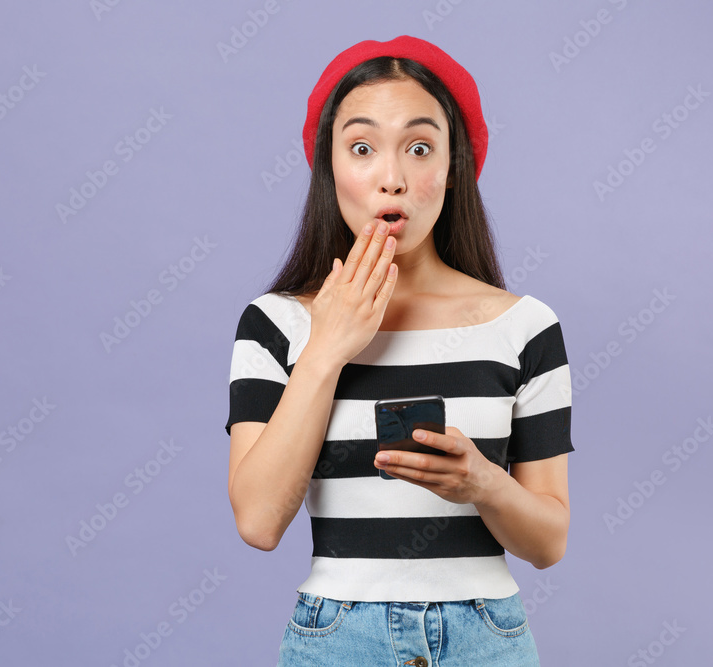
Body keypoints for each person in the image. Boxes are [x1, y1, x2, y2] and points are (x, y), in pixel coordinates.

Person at [225, 35, 574, 666]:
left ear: (453, 165)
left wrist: (484, 484)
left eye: (419, 148)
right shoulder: (275, 323)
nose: (392, 178)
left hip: (485, 640)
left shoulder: (525, 326)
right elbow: (258, 522)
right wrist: (328, 348)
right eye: (362, 148)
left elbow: (549, 541)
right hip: (337, 641)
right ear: (331, 168)